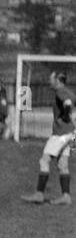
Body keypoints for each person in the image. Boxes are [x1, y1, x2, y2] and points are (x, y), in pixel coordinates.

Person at [20, 70, 74, 207]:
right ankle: (66, 196)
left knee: (44, 160)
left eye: (51, 79)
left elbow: (67, 102)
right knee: (63, 165)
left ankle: (39, 194)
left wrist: (66, 113)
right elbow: (71, 100)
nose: (49, 81)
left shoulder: (60, 92)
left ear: (58, 81)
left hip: (60, 134)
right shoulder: (69, 91)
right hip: (70, 133)